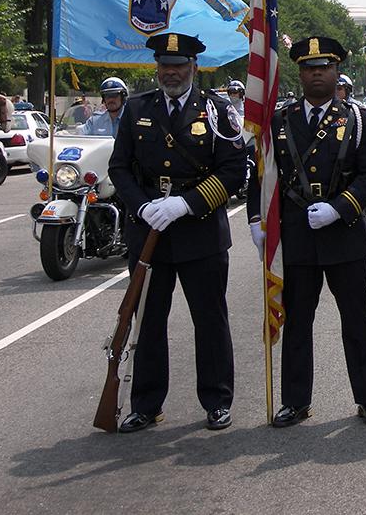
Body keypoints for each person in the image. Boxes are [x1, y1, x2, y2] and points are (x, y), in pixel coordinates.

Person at [248, 36, 366, 428]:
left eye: (325, 67)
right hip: (295, 234)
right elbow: (262, 175)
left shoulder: (359, 119)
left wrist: (339, 208)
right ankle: (295, 401)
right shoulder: (279, 120)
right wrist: (255, 219)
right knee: (297, 322)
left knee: (357, 321)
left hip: (342, 232)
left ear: (335, 71)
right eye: (310, 67)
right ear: (299, 72)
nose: (318, 73)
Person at [108, 33, 246, 432]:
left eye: (179, 65)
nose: (172, 72)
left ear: (193, 67)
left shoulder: (219, 112)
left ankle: (217, 400)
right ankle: (147, 405)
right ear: (156, 67)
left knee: (210, 320)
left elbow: (234, 170)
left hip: (200, 232)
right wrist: (143, 205)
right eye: (165, 65)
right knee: (149, 322)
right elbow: (120, 167)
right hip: (150, 231)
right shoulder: (137, 110)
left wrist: (186, 204)